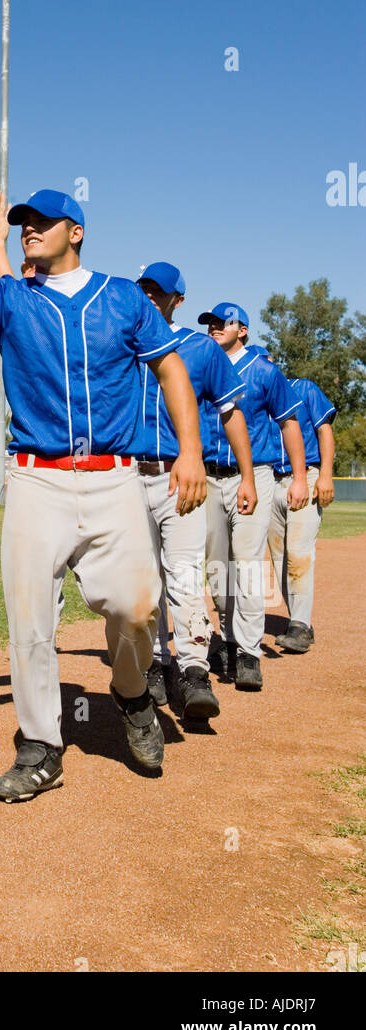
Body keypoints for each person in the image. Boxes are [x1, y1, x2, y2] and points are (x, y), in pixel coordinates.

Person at [0, 170, 206, 800]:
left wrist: (190, 450)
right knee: (28, 621)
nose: (28, 229)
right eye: (22, 222)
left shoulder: (125, 298)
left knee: (137, 607)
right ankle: (41, 743)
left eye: (41, 222)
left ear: (75, 233)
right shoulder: (9, 298)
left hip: (115, 479)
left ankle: (131, 694)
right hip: (36, 481)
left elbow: (171, 368)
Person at [131, 264, 257, 719]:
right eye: (141, 288)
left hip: (181, 475)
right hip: (125, 475)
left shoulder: (202, 348)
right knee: (142, 581)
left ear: (176, 299)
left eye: (157, 291)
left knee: (184, 574)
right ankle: (153, 665)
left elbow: (230, 413)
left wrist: (247, 475)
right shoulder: (123, 340)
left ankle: (193, 672)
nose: (147, 296)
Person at [198, 302, 308, 691]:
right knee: (215, 566)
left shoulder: (263, 371)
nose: (214, 327)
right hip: (209, 477)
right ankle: (226, 640)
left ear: (242, 329)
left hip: (255, 476)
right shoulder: (203, 365)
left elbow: (289, 422)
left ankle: (248, 653)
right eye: (210, 321)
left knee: (245, 563)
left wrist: (298, 478)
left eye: (223, 322)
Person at [267, 376, 336, 653]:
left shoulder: (304, 388)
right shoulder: (258, 396)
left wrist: (326, 476)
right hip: (270, 481)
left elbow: (325, 431)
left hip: (306, 475)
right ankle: (300, 620)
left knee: (298, 551)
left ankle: (299, 625)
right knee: (280, 558)